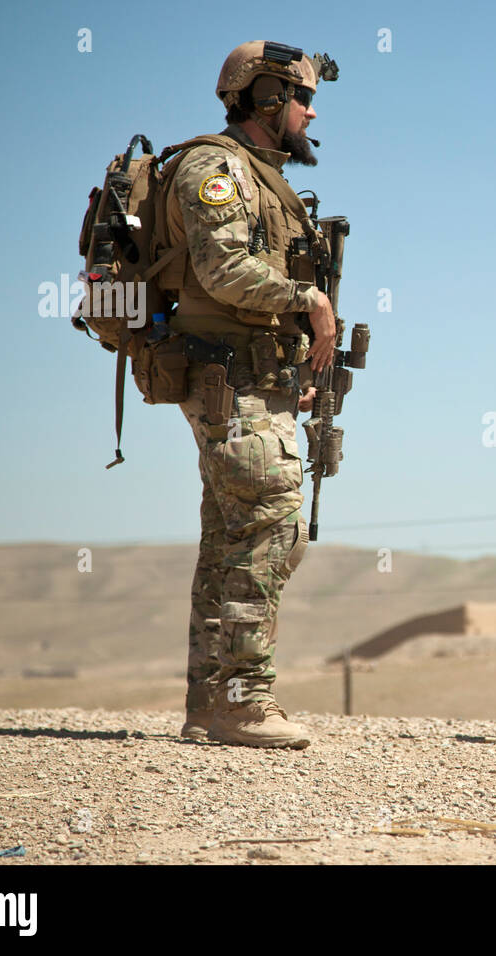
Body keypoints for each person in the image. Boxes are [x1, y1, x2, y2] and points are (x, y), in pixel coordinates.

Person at [165, 41, 338, 748]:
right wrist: (309, 301)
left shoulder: (261, 176)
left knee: (232, 536)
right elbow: (222, 269)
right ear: (265, 98)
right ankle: (241, 703)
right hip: (223, 375)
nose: (310, 110)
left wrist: (291, 363)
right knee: (270, 524)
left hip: (250, 377)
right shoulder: (217, 168)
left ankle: (213, 704)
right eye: (300, 97)